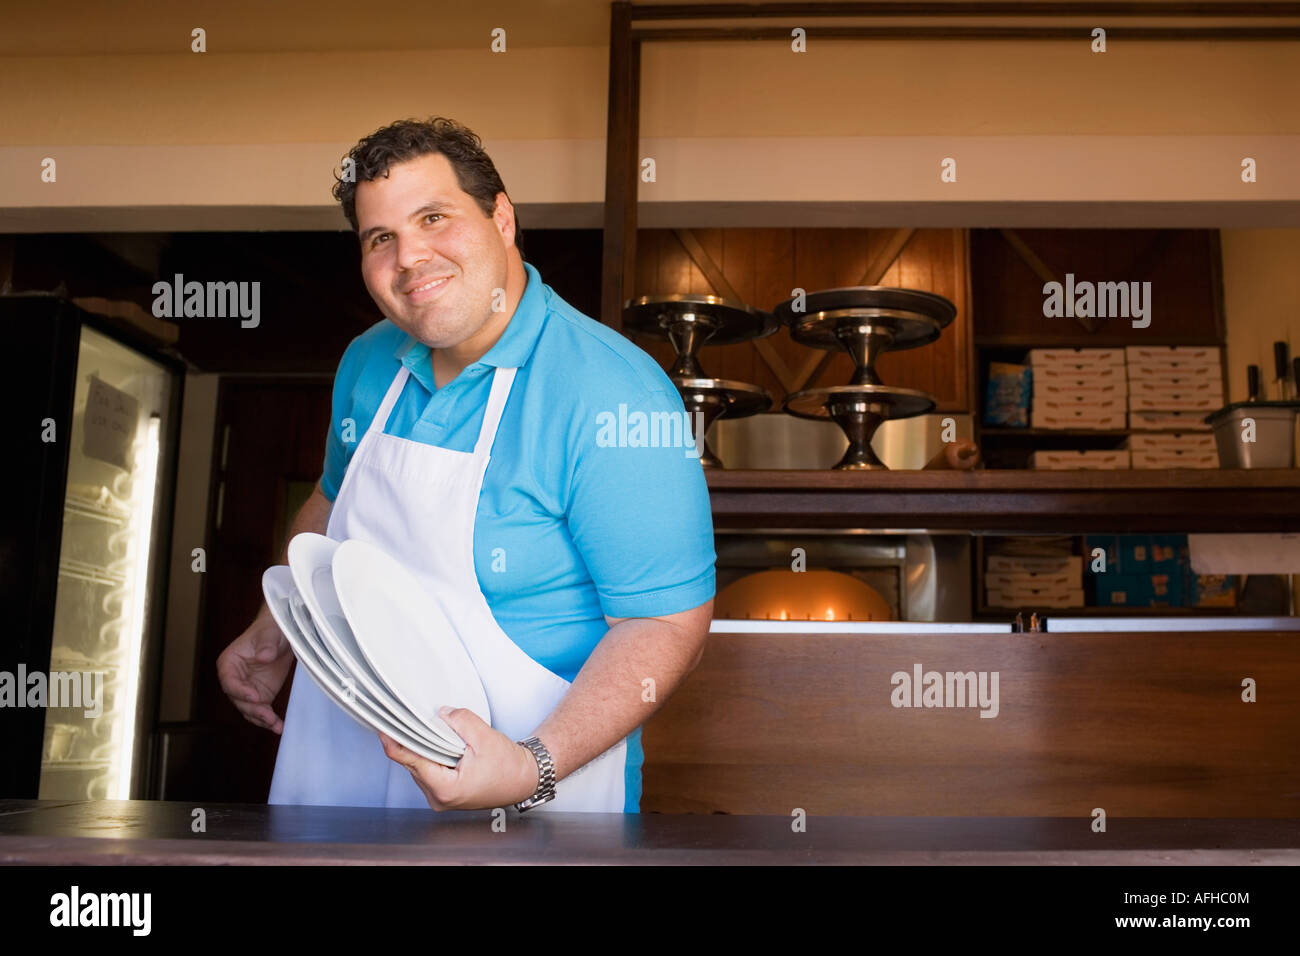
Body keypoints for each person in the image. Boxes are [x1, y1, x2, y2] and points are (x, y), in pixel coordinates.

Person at [216, 117, 715, 814]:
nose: (410, 257)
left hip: (535, 787)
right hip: (340, 769)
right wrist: (282, 626)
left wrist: (528, 768)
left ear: (501, 218)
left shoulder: (614, 393)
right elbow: (334, 501)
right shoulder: (368, 361)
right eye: (380, 238)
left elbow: (666, 627)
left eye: (433, 218)